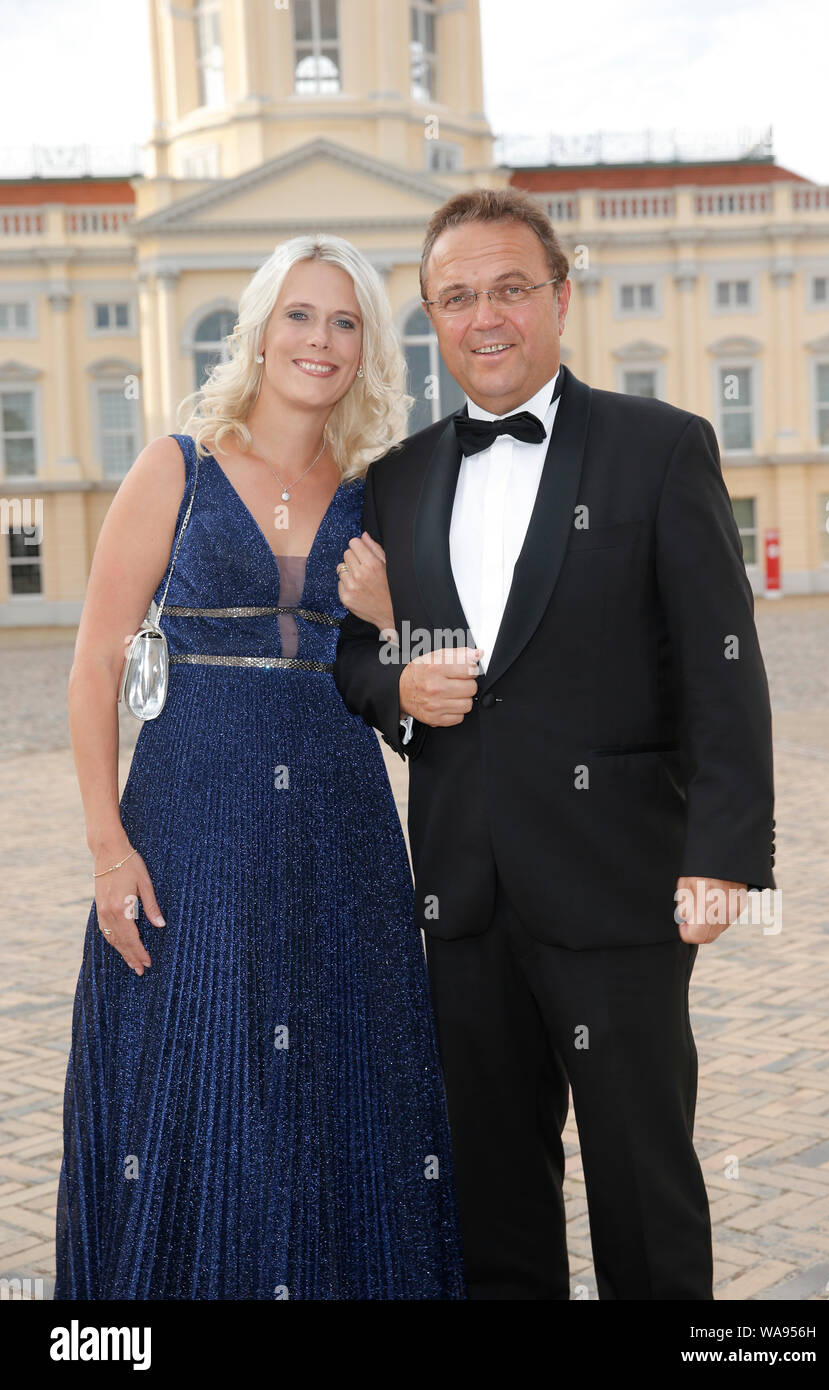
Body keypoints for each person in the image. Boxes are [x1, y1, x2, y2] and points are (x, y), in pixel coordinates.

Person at [333, 187, 776, 1300]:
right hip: (464, 901)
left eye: (510, 289)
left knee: (643, 1186)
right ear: (433, 317)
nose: (485, 317)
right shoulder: (396, 479)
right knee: (492, 1197)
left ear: (560, 297)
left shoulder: (660, 448)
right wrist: (399, 682)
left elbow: (720, 664)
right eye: (457, 297)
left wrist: (721, 851)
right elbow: (356, 661)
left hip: (618, 888)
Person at [54, 234, 465, 1300]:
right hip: (193, 808)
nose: (318, 340)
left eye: (343, 321)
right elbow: (96, 662)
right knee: (199, 1067)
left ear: (365, 346)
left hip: (339, 810)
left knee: (344, 1069)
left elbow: (429, 676)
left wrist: (388, 615)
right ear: (260, 328)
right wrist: (108, 850)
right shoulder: (177, 466)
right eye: (298, 314)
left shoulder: (379, 488)